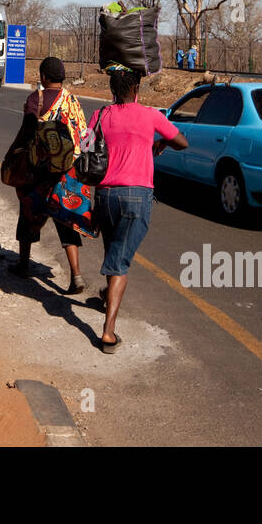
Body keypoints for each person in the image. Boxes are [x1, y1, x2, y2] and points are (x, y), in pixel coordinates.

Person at [88, 66, 187, 352]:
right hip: (136, 196)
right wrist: (161, 140)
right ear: (136, 90)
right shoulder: (150, 115)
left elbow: (86, 147)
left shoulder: (99, 115)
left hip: (105, 195)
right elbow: (182, 142)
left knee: (114, 251)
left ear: (112, 91)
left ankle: (108, 293)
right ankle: (108, 332)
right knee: (120, 262)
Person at [8, 56, 90, 293]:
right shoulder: (73, 101)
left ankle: (24, 265)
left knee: (28, 214)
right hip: (67, 173)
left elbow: (27, 130)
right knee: (66, 221)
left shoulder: (37, 99)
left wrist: (13, 154)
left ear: (43, 77)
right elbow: (84, 135)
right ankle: (76, 275)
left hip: (40, 172)